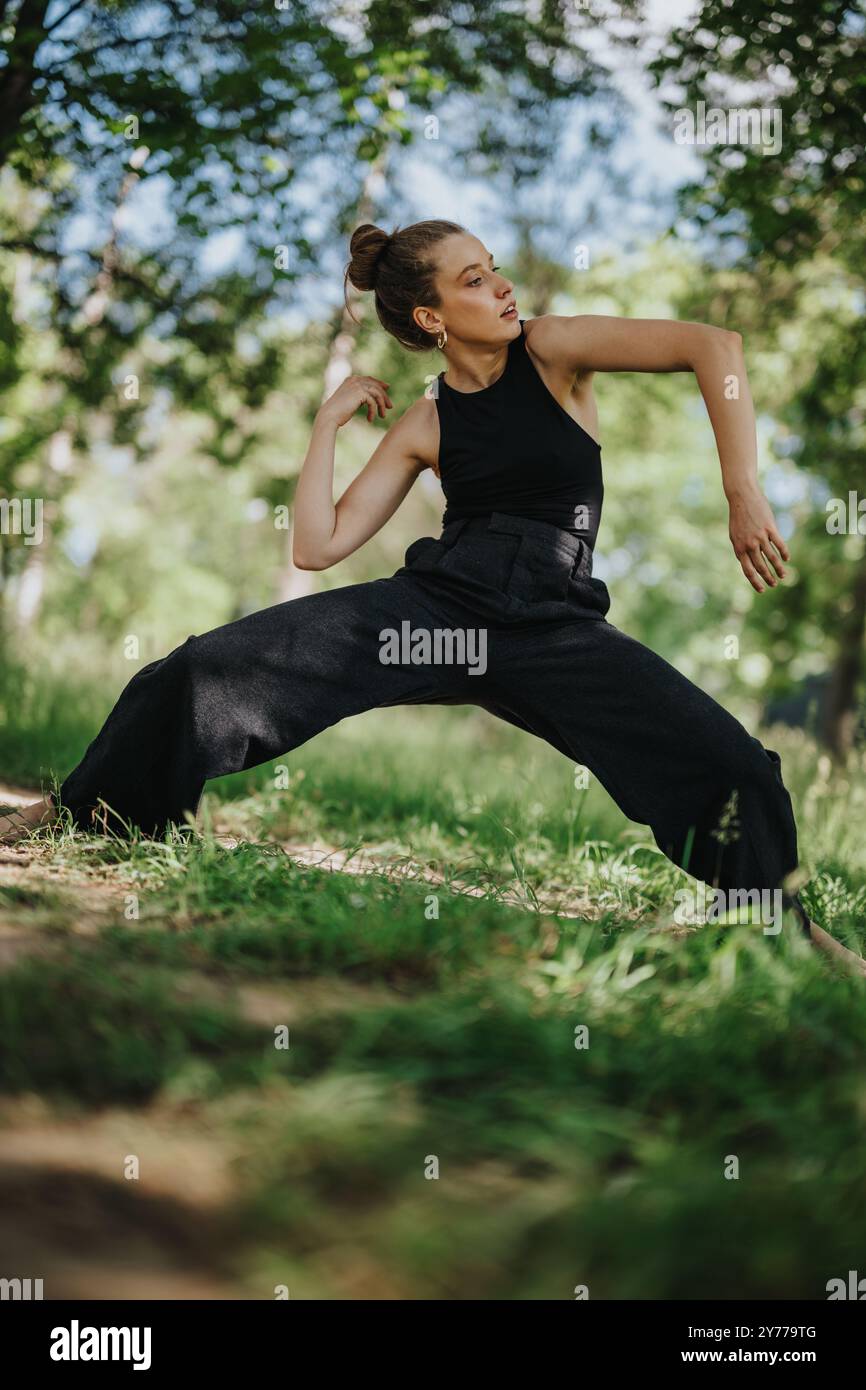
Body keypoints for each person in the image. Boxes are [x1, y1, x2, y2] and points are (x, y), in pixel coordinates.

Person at [2, 219, 863, 977]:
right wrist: (325, 424)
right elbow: (317, 544)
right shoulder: (427, 423)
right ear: (431, 317)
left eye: (493, 268)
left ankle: (777, 922)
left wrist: (742, 489)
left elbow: (716, 346)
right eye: (475, 278)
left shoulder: (555, 350)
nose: (501, 285)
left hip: (555, 623)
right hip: (442, 609)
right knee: (204, 670)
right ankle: (89, 812)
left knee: (737, 768)